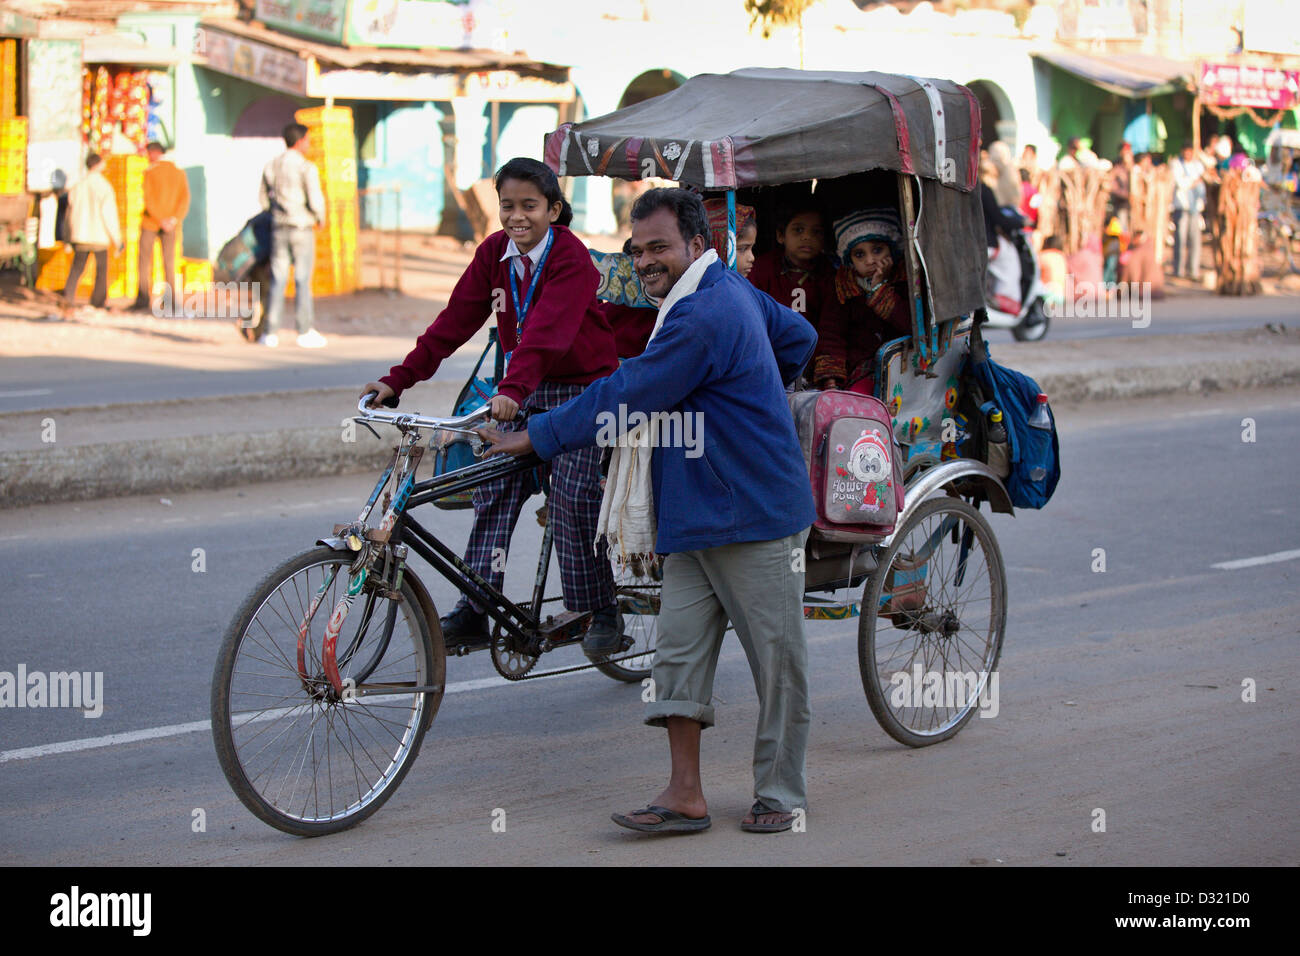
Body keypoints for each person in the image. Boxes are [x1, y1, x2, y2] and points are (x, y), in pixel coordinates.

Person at [479, 187, 817, 834]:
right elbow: (795, 334)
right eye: (638, 252)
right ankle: (685, 795)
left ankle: (782, 793)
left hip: (758, 514)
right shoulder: (714, 293)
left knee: (779, 667)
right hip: (693, 512)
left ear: (697, 245)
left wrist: (537, 434)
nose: (646, 262)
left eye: (659, 247)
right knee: (678, 659)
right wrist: (748, 390)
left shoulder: (709, 312)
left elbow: (629, 392)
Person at [360, 157, 624, 657]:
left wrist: (512, 390)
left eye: (530, 205)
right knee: (493, 486)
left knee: (572, 496)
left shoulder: (569, 257)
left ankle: (599, 608)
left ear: (553, 209)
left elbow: (546, 335)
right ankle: (477, 608)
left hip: (585, 393)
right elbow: (451, 324)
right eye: (508, 205)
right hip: (521, 392)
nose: (517, 216)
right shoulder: (493, 255)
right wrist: (399, 381)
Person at [812, 208, 910, 393]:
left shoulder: (906, 280)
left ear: (892, 249)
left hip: (904, 367)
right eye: (859, 255)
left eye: (878, 250)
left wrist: (880, 290)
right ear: (849, 260)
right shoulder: (842, 287)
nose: (870, 260)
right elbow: (832, 335)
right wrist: (831, 379)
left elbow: (909, 323)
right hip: (860, 370)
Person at [259, 122, 327, 348]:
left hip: (279, 227)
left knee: (278, 280)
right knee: (302, 280)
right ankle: (304, 330)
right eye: (307, 140)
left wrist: (276, 213)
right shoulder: (306, 167)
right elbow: (315, 198)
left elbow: (263, 199)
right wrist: (320, 217)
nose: (308, 144)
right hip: (301, 227)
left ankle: (270, 333)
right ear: (299, 141)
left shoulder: (272, 165)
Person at [747, 195, 833, 329]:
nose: (807, 237)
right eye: (798, 230)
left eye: (816, 232)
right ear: (781, 236)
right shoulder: (762, 269)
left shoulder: (830, 275)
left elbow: (830, 328)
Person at [130, 141, 189, 313]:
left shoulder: (150, 173)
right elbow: (184, 200)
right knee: (169, 263)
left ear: (154, 153)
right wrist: (173, 219)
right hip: (170, 224)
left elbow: (147, 199)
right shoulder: (179, 173)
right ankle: (170, 302)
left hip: (151, 222)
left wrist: (160, 219)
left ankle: (142, 299)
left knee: (144, 262)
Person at [61, 153, 122, 316]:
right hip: (99, 235)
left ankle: (68, 298)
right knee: (101, 270)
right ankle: (98, 302)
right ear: (99, 164)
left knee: (77, 268)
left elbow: (69, 213)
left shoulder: (77, 186)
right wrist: (117, 239)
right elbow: (109, 215)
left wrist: (67, 237)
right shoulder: (104, 186)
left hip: (80, 234)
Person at [1170, 141, 1207, 280]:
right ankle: (1178, 270)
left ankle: (1194, 270)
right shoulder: (1177, 164)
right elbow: (1181, 184)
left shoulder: (1198, 166)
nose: (1187, 154)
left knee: (1195, 240)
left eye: (1190, 151)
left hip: (1195, 208)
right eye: (1185, 151)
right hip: (1182, 206)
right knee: (1180, 239)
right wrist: (1194, 181)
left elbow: (1202, 185)